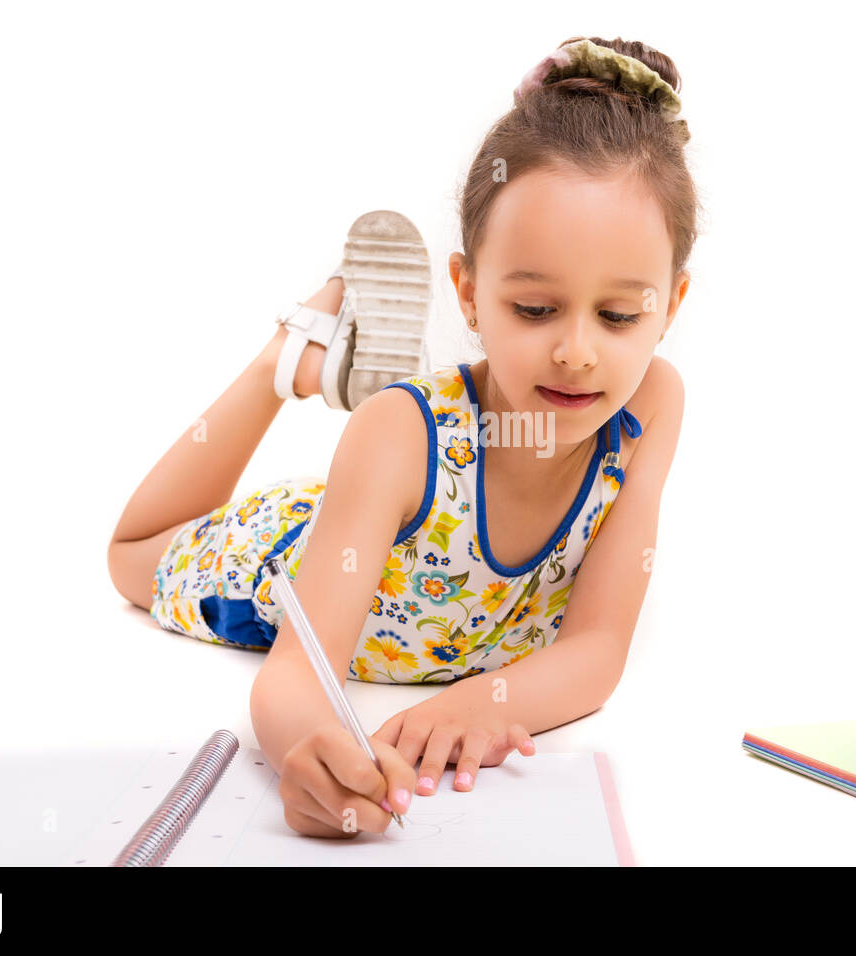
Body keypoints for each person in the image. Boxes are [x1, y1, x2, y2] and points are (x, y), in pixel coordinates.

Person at [106, 35, 696, 839]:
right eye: (533, 309)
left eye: (621, 316)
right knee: (132, 558)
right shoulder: (398, 436)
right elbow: (292, 680)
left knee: (393, 451)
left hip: (383, 515)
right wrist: (307, 747)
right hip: (283, 555)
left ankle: (313, 365)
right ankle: (285, 364)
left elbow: (598, 646)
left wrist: (474, 706)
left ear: (672, 304)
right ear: (469, 294)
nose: (577, 351)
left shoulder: (651, 405)